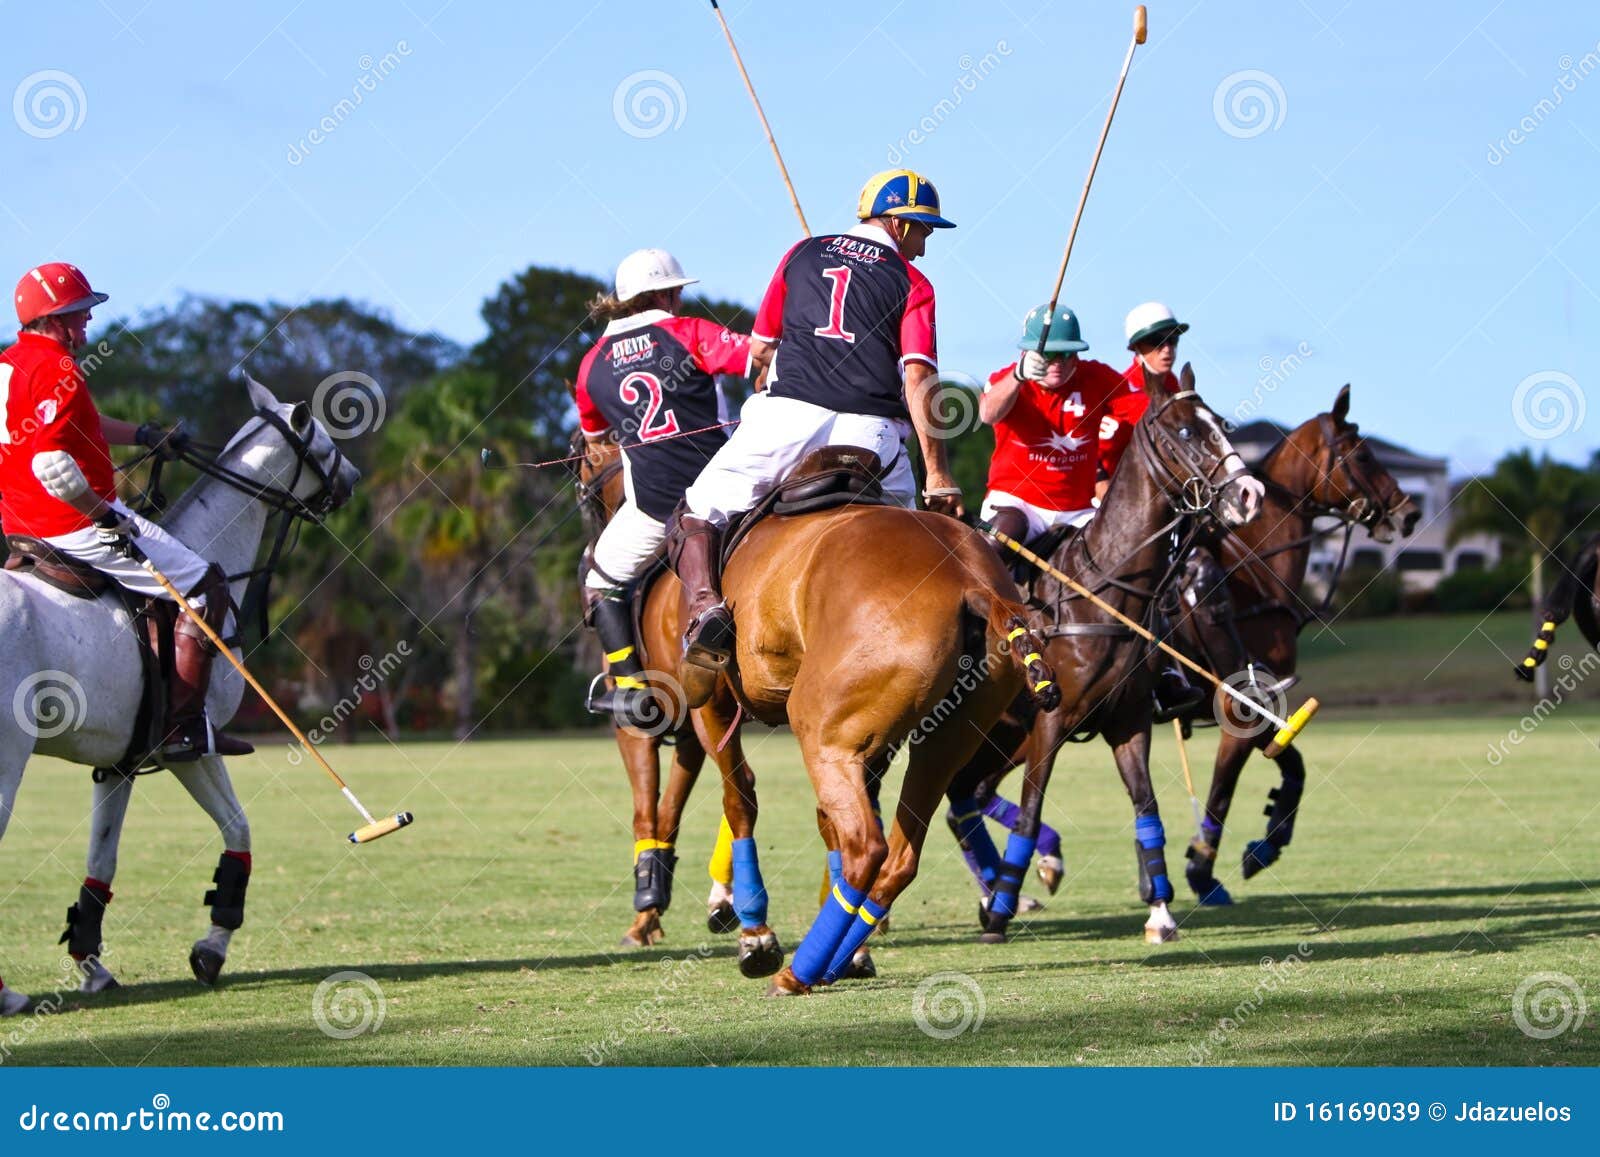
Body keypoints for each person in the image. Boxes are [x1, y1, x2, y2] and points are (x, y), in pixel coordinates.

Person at [670, 168, 961, 674]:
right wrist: (938, 473)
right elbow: (918, 382)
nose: (924, 244)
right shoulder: (915, 283)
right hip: (874, 435)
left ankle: (705, 612)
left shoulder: (801, 253)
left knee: (694, 512)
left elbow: (761, 347)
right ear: (895, 223)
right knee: (919, 547)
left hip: (788, 419)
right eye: (921, 229)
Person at [0, 262, 251, 761]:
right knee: (204, 586)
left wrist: (141, 434)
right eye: (80, 314)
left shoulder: (10, 365)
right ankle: (182, 729)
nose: (87, 324)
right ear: (55, 319)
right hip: (75, 523)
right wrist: (101, 514)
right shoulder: (60, 369)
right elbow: (53, 459)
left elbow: (79, 425)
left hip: (20, 527)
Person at [574, 249, 751, 730]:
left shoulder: (590, 366)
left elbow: (596, 442)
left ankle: (630, 688)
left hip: (656, 509)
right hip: (727, 492)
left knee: (598, 575)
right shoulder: (689, 331)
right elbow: (757, 356)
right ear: (668, 294)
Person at [979, 302, 1137, 552]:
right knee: (1002, 535)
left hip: (1079, 511)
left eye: (1066, 354)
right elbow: (987, 413)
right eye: (1049, 354)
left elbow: (1143, 409)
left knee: (1124, 550)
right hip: (1019, 504)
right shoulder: (1007, 378)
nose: (1058, 363)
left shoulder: (1098, 377)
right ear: (1028, 353)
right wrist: (1018, 376)